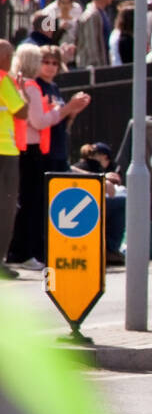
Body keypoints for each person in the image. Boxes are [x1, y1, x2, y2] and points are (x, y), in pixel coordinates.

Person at [8, 44, 90, 268]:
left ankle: (24, 251)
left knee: (28, 202)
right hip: (31, 149)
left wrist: (67, 112)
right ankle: (24, 252)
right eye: (44, 61)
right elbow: (39, 121)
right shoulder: (31, 87)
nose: (49, 66)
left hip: (27, 147)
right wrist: (64, 110)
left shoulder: (20, 83)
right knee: (31, 203)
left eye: (54, 63)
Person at [0, 41, 30, 277]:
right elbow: (21, 111)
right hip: (5, 151)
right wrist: (20, 90)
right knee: (6, 208)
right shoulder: (3, 79)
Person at [72, 142, 126, 264]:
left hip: (75, 206)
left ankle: (108, 248)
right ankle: (111, 249)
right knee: (122, 202)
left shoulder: (78, 165)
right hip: (85, 206)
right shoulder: (95, 167)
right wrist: (101, 178)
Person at [73, 0, 113, 70]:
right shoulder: (91, 15)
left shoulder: (102, 12)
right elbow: (91, 44)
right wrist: (97, 67)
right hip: (92, 67)